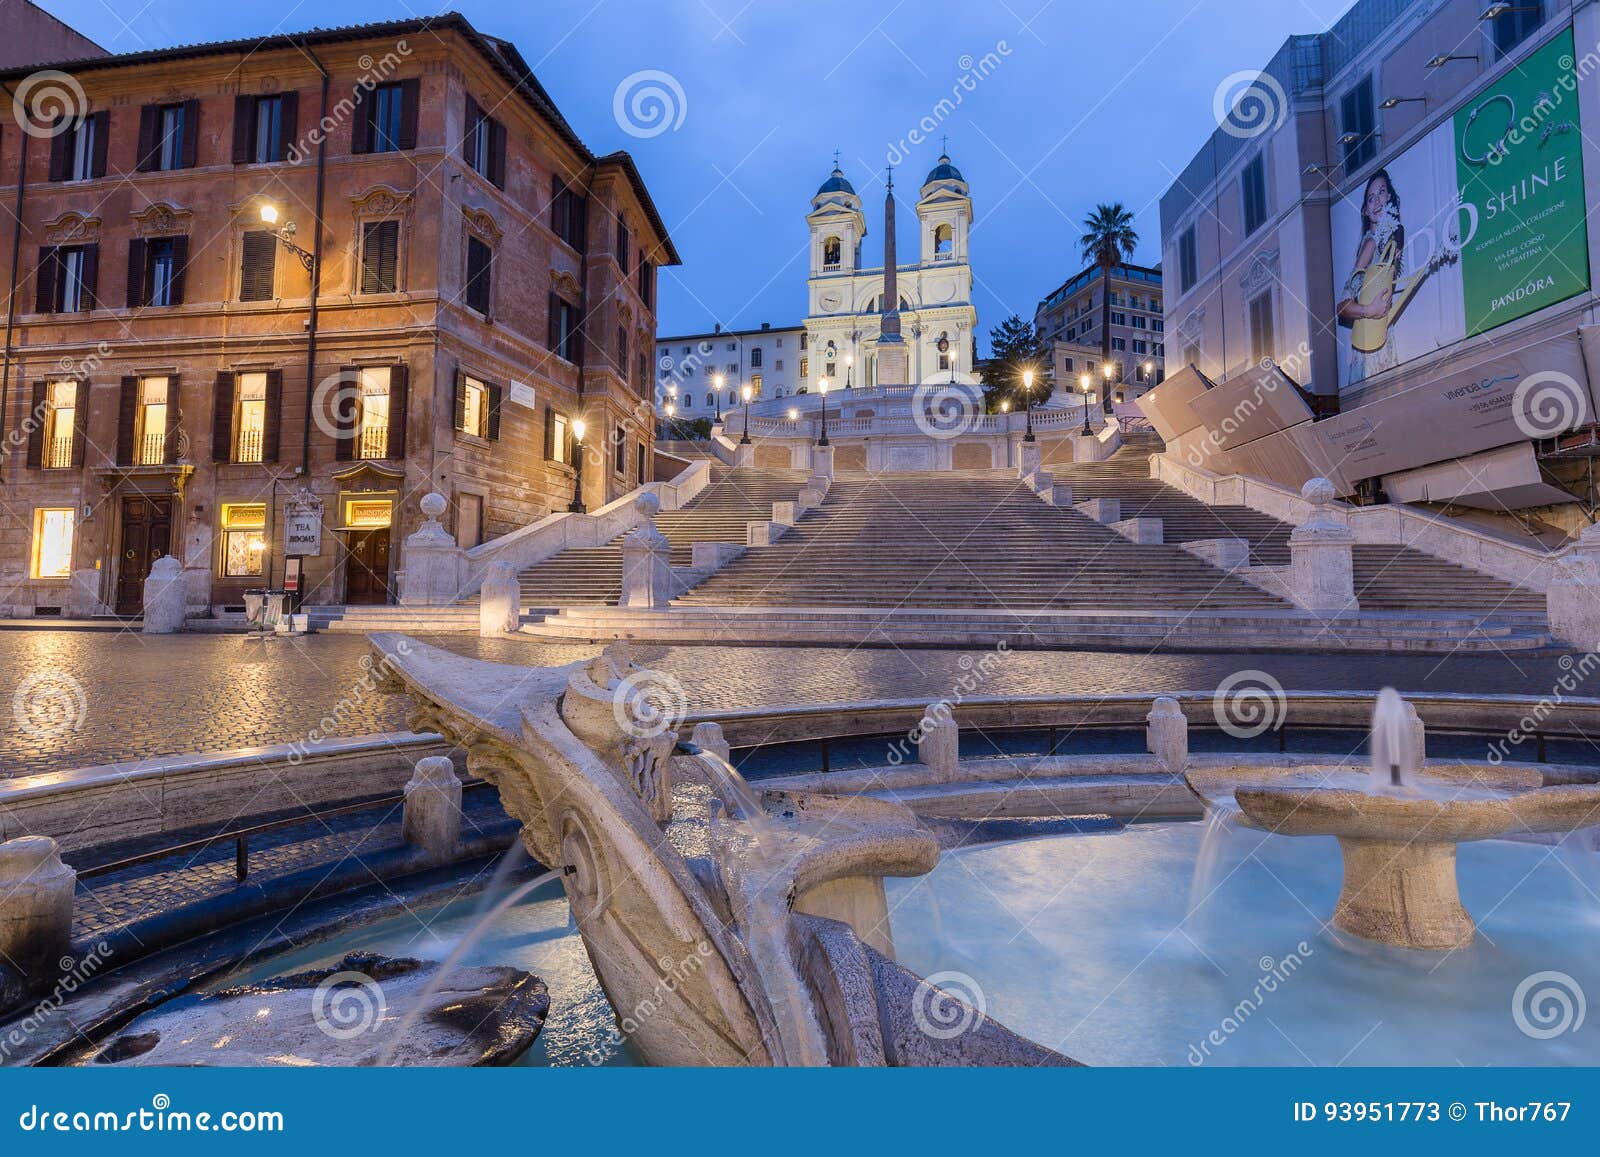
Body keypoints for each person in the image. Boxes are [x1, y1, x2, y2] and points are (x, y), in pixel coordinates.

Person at [1336, 169, 1403, 384]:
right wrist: (1369, 310)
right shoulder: (1371, 243)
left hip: (1382, 335)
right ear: (1365, 210)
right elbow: (1342, 307)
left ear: (1390, 197)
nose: (1377, 201)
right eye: (1371, 198)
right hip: (1368, 346)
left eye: (1381, 193)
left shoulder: (1393, 237)